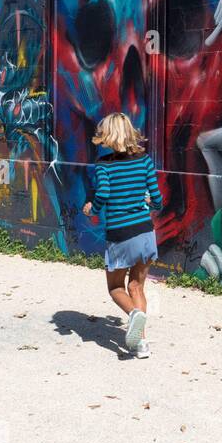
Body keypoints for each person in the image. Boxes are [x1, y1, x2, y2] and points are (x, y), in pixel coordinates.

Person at [83, 112, 163, 358]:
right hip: (145, 233)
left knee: (116, 287)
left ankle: (134, 315)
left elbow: (104, 192)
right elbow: (157, 199)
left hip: (121, 235)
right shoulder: (144, 161)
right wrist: (150, 204)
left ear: (108, 135)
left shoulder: (104, 164)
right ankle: (141, 345)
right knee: (137, 288)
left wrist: (92, 209)